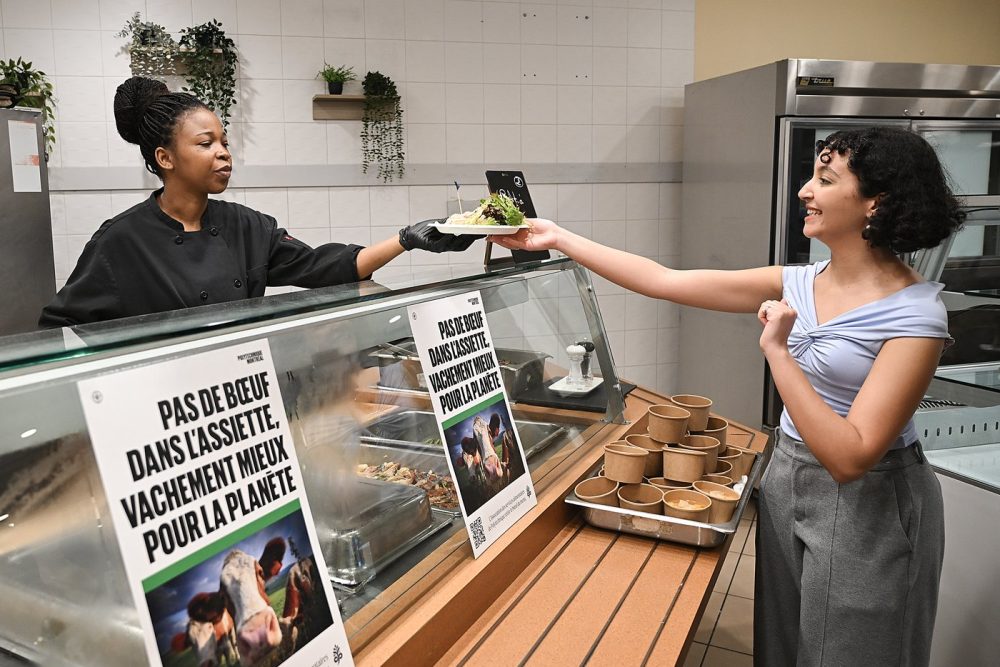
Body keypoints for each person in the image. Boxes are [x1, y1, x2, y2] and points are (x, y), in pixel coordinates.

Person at [491, 126, 964, 666]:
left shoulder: (916, 313)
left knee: (856, 653)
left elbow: (851, 456)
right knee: (784, 648)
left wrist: (779, 352)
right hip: (787, 476)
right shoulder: (800, 282)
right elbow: (666, 280)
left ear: (875, 203)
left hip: (872, 503)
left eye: (825, 179)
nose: (805, 190)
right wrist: (559, 238)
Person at [39, 77, 475, 328]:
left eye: (225, 142)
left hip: (242, 397)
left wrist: (407, 239)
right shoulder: (122, 240)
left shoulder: (248, 226)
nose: (224, 153)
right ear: (165, 158)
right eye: (206, 143)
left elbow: (323, 267)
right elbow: (59, 329)